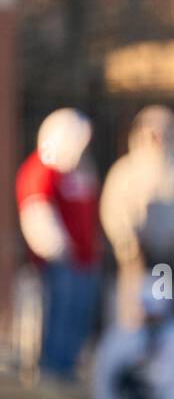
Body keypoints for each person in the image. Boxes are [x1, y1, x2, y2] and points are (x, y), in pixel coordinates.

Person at [99, 105, 174, 328]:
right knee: (134, 313)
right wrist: (126, 241)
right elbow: (112, 209)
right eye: (152, 133)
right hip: (137, 257)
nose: (158, 139)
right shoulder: (125, 171)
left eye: (164, 132)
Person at [15, 108, 102, 380]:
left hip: (85, 263)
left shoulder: (80, 170)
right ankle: (52, 381)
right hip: (61, 264)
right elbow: (36, 213)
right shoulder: (42, 170)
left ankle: (68, 371)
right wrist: (59, 249)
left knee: (78, 321)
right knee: (59, 321)